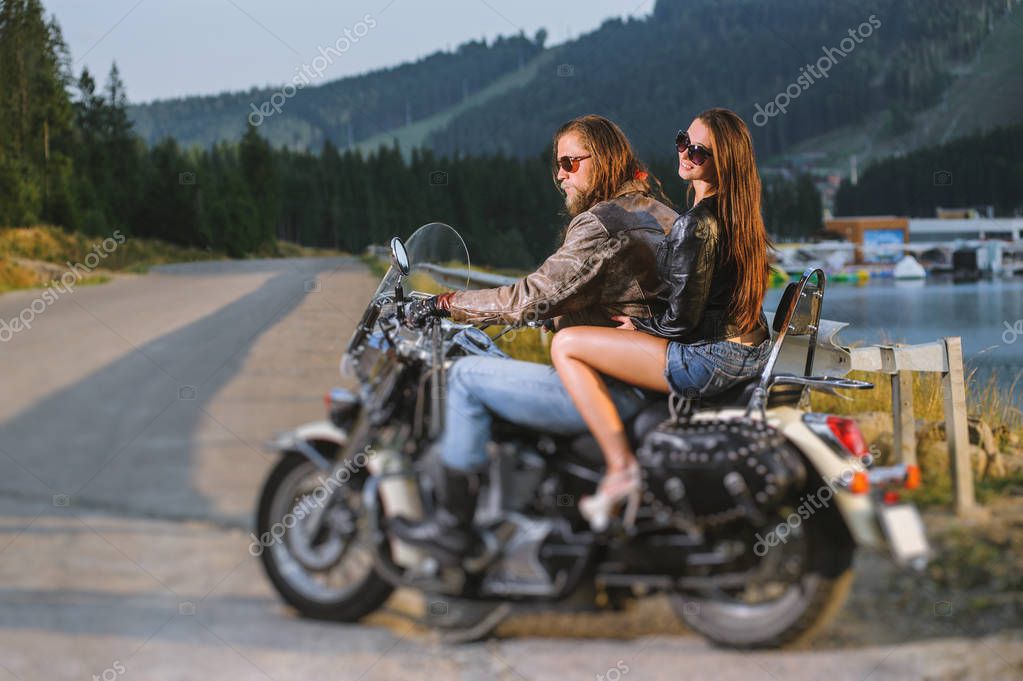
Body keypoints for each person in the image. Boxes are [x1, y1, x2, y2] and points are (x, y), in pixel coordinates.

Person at [390, 114, 678, 565]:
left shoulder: (602, 223)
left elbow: (532, 296)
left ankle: (452, 527)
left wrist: (446, 303)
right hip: (659, 379)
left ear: (600, 161)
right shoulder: (663, 214)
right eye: (556, 166)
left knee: (465, 377)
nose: (560, 175)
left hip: (612, 386)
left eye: (569, 162)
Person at [549, 108, 773, 531]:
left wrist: (642, 327)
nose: (686, 153)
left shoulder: (696, 224)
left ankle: (619, 468)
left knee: (568, 344)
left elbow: (682, 323)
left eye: (699, 150)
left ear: (722, 160)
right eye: (682, 141)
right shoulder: (741, 217)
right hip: (745, 352)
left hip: (710, 360)